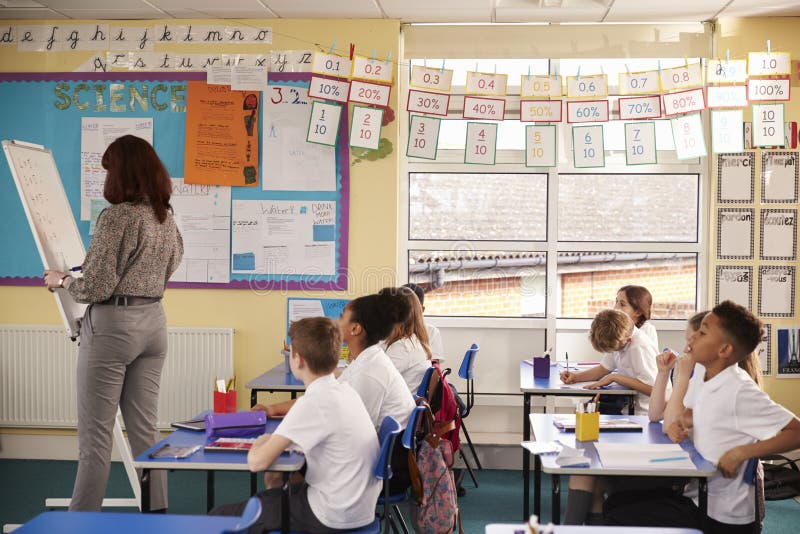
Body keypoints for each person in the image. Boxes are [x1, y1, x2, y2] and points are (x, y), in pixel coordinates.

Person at [43, 135, 183, 512]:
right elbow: (174, 261)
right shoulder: (164, 216)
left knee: (95, 439)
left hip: (113, 327)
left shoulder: (117, 216)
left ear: (120, 173)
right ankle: (157, 515)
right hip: (154, 322)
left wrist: (65, 280)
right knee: (146, 433)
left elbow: (96, 286)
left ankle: (80, 522)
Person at [211, 317, 381, 533]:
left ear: (297, 359)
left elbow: (257, 462)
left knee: (218, 516)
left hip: (331, 514)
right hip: (358, 508)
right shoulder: (344, 390)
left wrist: (264, 439)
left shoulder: (313, 402)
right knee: (274, 485)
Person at [648, 301, 800, 534]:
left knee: (621, 515)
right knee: (621, 503)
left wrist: (741, 453)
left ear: (724, 350)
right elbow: (698, 410)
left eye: (702, 332)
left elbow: (796, 431)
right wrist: (684, 422)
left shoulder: (740, 390)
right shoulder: (703, 374)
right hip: (699, 496)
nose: (692, 338)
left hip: (727, 515)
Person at [561, 309, 659, 525]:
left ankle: (571, 528)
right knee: (589, 468)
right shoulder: (619, 337)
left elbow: (655, 388)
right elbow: (602, 369)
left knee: (586, 465)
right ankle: (594, 526)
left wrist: (615, 377)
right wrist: (576, 377)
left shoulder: (639, 347)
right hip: (625, 415)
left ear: (627, 339)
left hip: (643, 420)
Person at [649, 310, 763, 424]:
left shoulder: (725, 387)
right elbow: (656, 414)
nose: (685, 349)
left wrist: (682, 377)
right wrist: (663, 372)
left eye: (691, 342)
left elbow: (670, 425)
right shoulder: (701, 378)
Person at [382, 286, 433, 392]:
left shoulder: (402, 347)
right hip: (407, 402)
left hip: (395, 406)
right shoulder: (414, 341)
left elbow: (376, 382)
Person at [403, 282, 444, 359]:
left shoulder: (431, 332)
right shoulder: (390, 332)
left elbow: (435, 366)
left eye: (410, 310)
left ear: (422, 310)